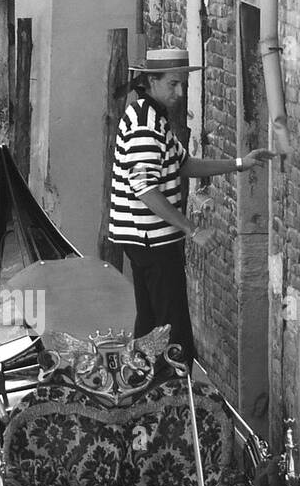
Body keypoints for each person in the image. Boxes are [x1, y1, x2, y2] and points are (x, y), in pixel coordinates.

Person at [107, 47, 273, 363]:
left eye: (183, 84)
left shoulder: (153, 116)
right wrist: (191, 229)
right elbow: (145, 189)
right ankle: (175, 398)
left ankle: (150, 393)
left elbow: (184, 164)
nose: (180, 92)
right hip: (150, 240)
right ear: (151, 81)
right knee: (173, 333)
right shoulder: (145, 124)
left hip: (146, 240)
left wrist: (240, 163)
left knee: (151, 327)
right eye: (173, 84)